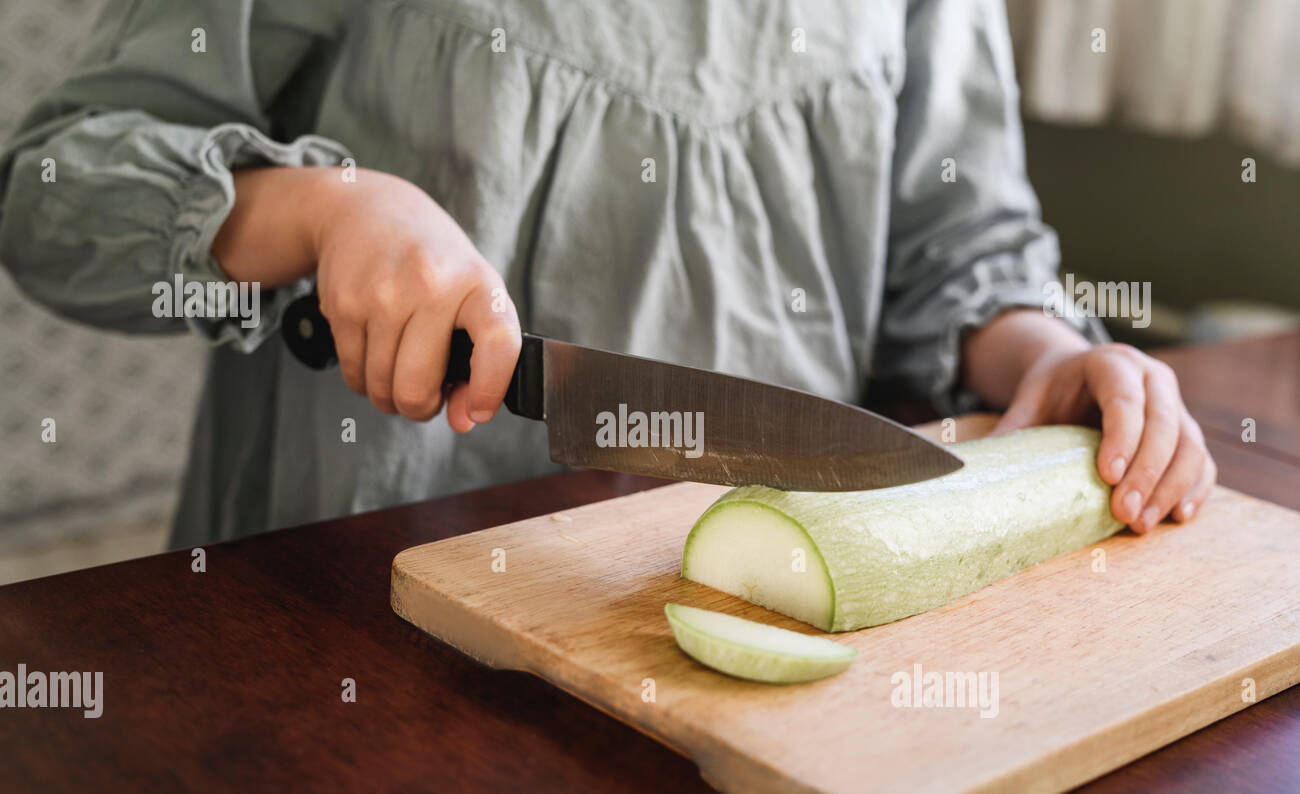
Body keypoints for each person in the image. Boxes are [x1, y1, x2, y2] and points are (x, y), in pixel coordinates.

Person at [0, 0, 1214, 549]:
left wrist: (1046, 354)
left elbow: (955, 245)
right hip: (350, 617)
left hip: (754, 618)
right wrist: (321, 210)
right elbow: (53, 192)